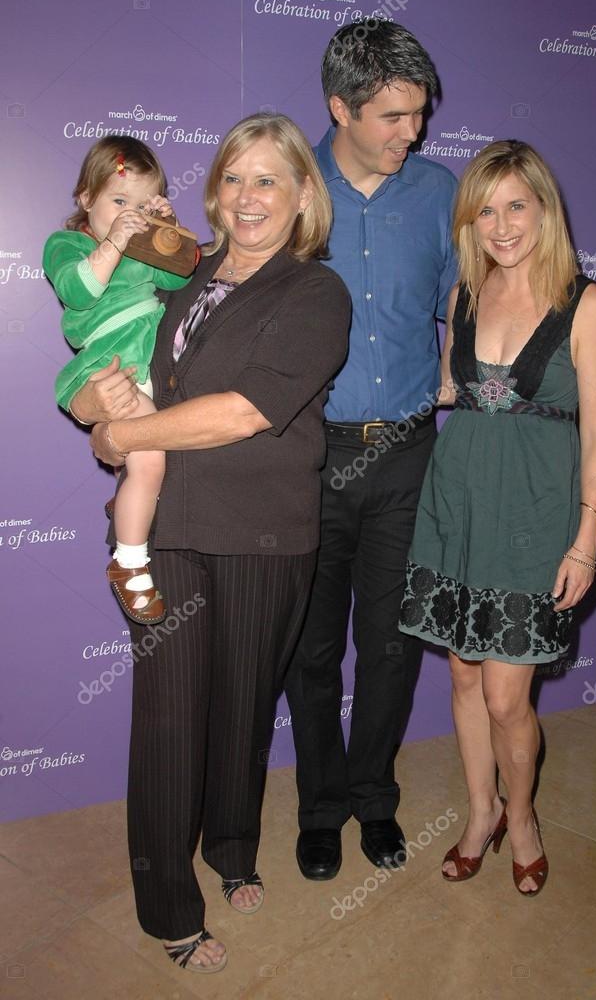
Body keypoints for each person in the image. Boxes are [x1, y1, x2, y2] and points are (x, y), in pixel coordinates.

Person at [70, 114, 350, 972]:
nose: (248, 196)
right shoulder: (177, 287)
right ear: (212, 196)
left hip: (268, 537)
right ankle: (169, 911)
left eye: (269, 179)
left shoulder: (316, 293)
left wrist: (130, 433)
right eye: (233, 179)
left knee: (241, 711)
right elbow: (105, 380)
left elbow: (246, 411)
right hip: (169, 535)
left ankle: (232, 851)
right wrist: (102, 424)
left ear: (304, 195)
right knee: (165, 723)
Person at [399, 140, 596, 895]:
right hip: (456, 500)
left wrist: (586, 540)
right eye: (485, 210)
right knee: (464, 679)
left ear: (544, 209)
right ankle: (480, 812)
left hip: (534, 513)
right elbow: (443, 393)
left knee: (506, 696)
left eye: (516, 206)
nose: (501, 225)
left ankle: (522, 816)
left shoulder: (587, 305)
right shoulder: (464, 295)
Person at [285, 19, 458, 880]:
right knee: (312, 648)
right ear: (339, 108)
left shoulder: (438, 191)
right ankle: (319, 809)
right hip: (305, 456)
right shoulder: (286, 186)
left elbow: (469, 299)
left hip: (405, 454)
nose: (412, 133)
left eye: (419, 115)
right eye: (393, 116)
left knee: (391, 644)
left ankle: (374, 800)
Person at [44, 137, 193, 624]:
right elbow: (78, 291)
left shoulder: (142, 242)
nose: (129, 213)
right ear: (87, 198)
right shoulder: (68, 244)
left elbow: (177, 279)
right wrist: (114, 243)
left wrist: (164, 230)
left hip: (154, 370)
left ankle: (128, 495)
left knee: (155, 464)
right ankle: (129, 566)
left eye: (140, 203)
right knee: (150, 457)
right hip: (112, 370)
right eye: (118, 201)